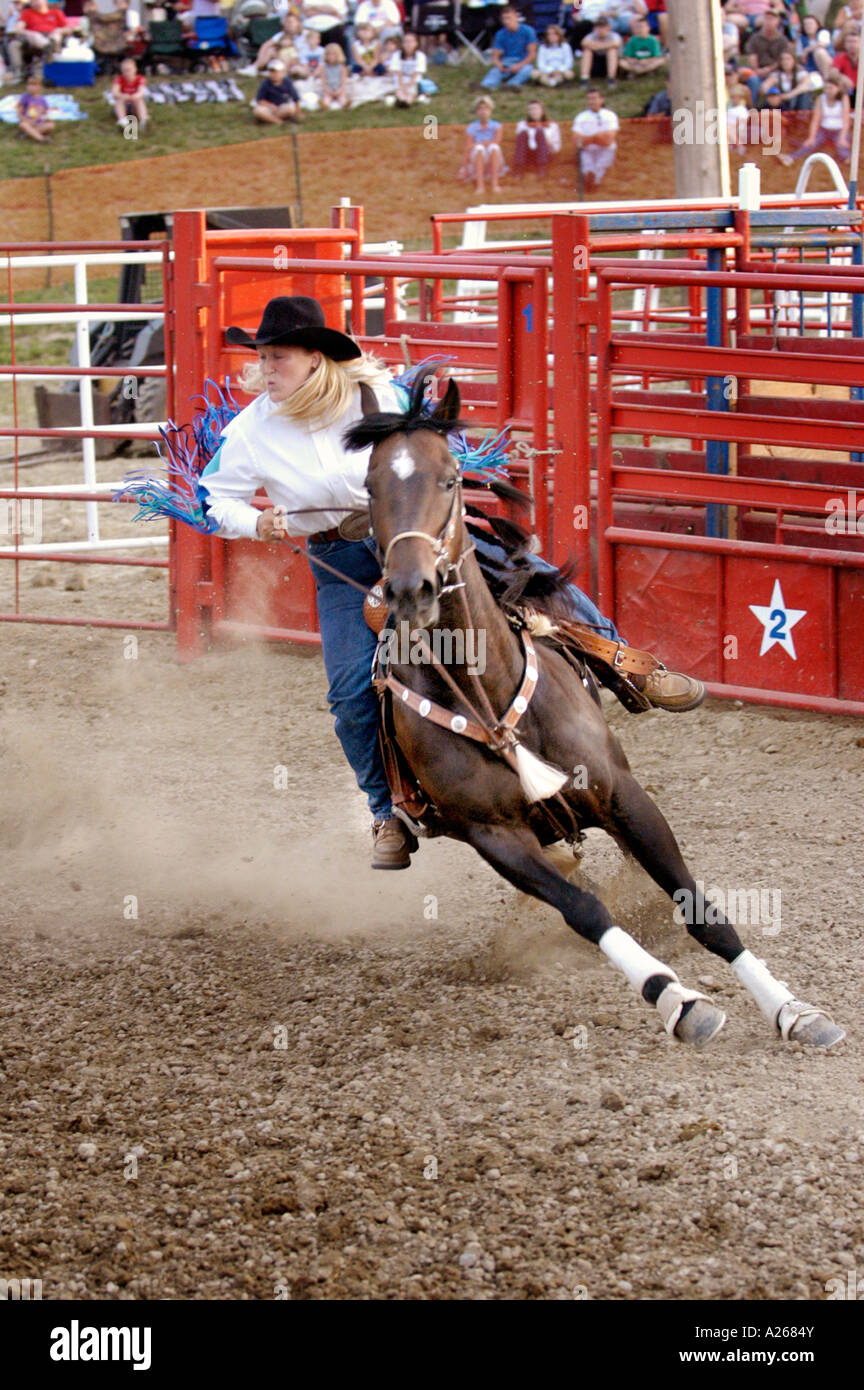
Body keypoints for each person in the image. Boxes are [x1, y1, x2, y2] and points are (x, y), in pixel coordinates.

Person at [198, 295, 706, 869]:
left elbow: (434, 454)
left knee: (535, 580)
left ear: (316, 359)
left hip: (417, 535)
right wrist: (258, 521)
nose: (265, 369)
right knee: (349, 693)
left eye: (278, 357)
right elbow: (212, 497)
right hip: (344, 559)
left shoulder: (381, 399)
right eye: (262, 357)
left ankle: (631, 667)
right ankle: (386, 809)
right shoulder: (251, 429)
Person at [778, 72, 851, 163]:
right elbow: (815, 120)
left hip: (839, 130)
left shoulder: (844, 98)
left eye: (831, 88)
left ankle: (847, 158)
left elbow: (846, 120)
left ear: (838, 88)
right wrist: (811, 137)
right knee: (811, 143)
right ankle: (791, 158)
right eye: (826, 88)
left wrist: (842, 136)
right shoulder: (821, 98)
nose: (828, 91)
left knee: (842, 148)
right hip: (824, 129)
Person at [481, 3, 537, 90]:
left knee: (527, 70)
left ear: (516, 18)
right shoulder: (500, 34)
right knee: (495, 71)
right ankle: (487, 86)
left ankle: (511, 85)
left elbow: (532, 54)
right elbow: (495, 56)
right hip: (506, 62)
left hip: (522, 62)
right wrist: (499, 65)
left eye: (509, 18)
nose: (506, 21)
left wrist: (519, 65)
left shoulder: (528, 31)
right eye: (504, 19)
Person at [742, 8, 791, 105]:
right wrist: (757, 70)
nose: (769, 22)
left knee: (774, 81)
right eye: (767, 19)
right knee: (753, 79)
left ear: (777, 22)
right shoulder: (755, 37)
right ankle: (753, 108)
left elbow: (782, 59)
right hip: (758, 70)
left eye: (772, 19)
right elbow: (752, 56)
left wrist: (768, 69)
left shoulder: (782, 40)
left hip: (775, 71)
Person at [572, 84, 618, 186]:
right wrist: (597, 137)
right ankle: (591, 178)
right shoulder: (581, 117)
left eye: (594, 98)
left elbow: (608, 141)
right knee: (586, 161)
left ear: (602, 100)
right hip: (587, 149)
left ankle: (593, 180)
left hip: (605, 149)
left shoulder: (610, 115)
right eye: (589, 99)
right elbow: (576, 141)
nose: (591, 101)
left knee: (602, 162)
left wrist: (588, 138)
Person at [461, 95, 503, 193]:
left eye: (486, 108)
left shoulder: (497, 125)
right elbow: (469, 147)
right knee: (479, 149)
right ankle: (480, 186)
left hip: (492, 155)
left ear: (490, 110)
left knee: (494, 148)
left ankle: (495, 184)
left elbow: (497, 141)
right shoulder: (472, 127)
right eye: (480, 109)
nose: (483, 111)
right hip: (478, 157)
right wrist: (465, 168)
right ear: (476, 111)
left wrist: (481, 143)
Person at [16, 0, 77, 64]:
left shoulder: (56, 12)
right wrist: (29, 33)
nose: (34, 3)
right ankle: (48, 47)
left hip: (52, 36)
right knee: (34, 36)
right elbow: (18, 29)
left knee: (56, 33)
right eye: (32, 1)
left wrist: (60, 30)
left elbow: (68, 29)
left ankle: (51, 47)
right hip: (36, 38)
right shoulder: (27, 12)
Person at [513, 97, 560, 173]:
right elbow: (519, 144)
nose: (533, 112)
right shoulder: (522, 124)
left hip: (545, 153)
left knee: (540, 132)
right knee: (523, 133)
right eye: (530, 109)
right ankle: (519, 168)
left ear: (542, 110)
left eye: (536, 109)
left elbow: (557, 146)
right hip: (528, 153)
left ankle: (542, 168)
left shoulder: (552, 125)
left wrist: (548, 143)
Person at [579, 12, 622, 88]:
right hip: (595, 65)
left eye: (602, 27)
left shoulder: (614, 35)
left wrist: (595, 46)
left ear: (608, 27)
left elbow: (616, 44)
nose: (600, 29)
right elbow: (584, 43)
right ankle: (584, 78)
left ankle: (611, 78)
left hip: (612, 64)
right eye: (598, 27)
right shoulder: (591, 36)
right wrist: (605, 45)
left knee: (611, 50)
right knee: (587, 51)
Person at [252, 57, 303, 121]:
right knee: (258, 111)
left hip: (282, 107)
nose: (273, 74)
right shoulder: (265, 83)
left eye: (276, 72)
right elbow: (260, 100)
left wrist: (299, 112)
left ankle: (271, 119)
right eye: (271, 72)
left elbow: (296, 98)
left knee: (290, 109)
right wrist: (271, 106)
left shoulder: (287, 82)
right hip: (269, 108)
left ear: (281, 72)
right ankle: (276, 120)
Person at [111, 54, 148, 129]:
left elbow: (141, 92)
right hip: (123, 105)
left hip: (134, 105)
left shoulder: (140, 79)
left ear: (135, 69)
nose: (127, 73)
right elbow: (115, 92)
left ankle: (143, 120)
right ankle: (122, 121)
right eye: (124, 71)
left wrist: (135, 96)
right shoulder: (119, 79)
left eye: (129, 70)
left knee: (139, 100)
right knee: (119, 100)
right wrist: (122, 96)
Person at [16, 71, 54, 139]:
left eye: (34, 85)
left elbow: (45, 113)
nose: (31, 87)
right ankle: (41, 139)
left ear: (40, 87)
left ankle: (27, 135)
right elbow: (19, 114)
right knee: (23, 125)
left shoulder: (42, 99)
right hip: (27, 122)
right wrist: (26, 120)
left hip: (38, 123)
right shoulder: (25, 97)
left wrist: (47, 119)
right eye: (29, 84)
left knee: (50, 125)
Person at [318, 40, 351, 107]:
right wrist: (328, 90)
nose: (331, 56)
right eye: (329, 54)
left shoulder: (342, 67)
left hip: (339, 88)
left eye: (333, 54)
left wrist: (340, 90)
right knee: (327, 97)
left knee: (342, 97)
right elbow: (323, 82)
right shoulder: (324, 68)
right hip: (328, 88)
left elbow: (344, 81)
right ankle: (325, 105)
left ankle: (344, 104)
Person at [832, 28, 859, 100]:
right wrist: (842, 77)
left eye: (854, 42)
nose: (852, 45)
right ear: (845, 44)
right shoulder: (840, 57)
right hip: (848, 91)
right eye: (849, 42)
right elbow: (833, 73)